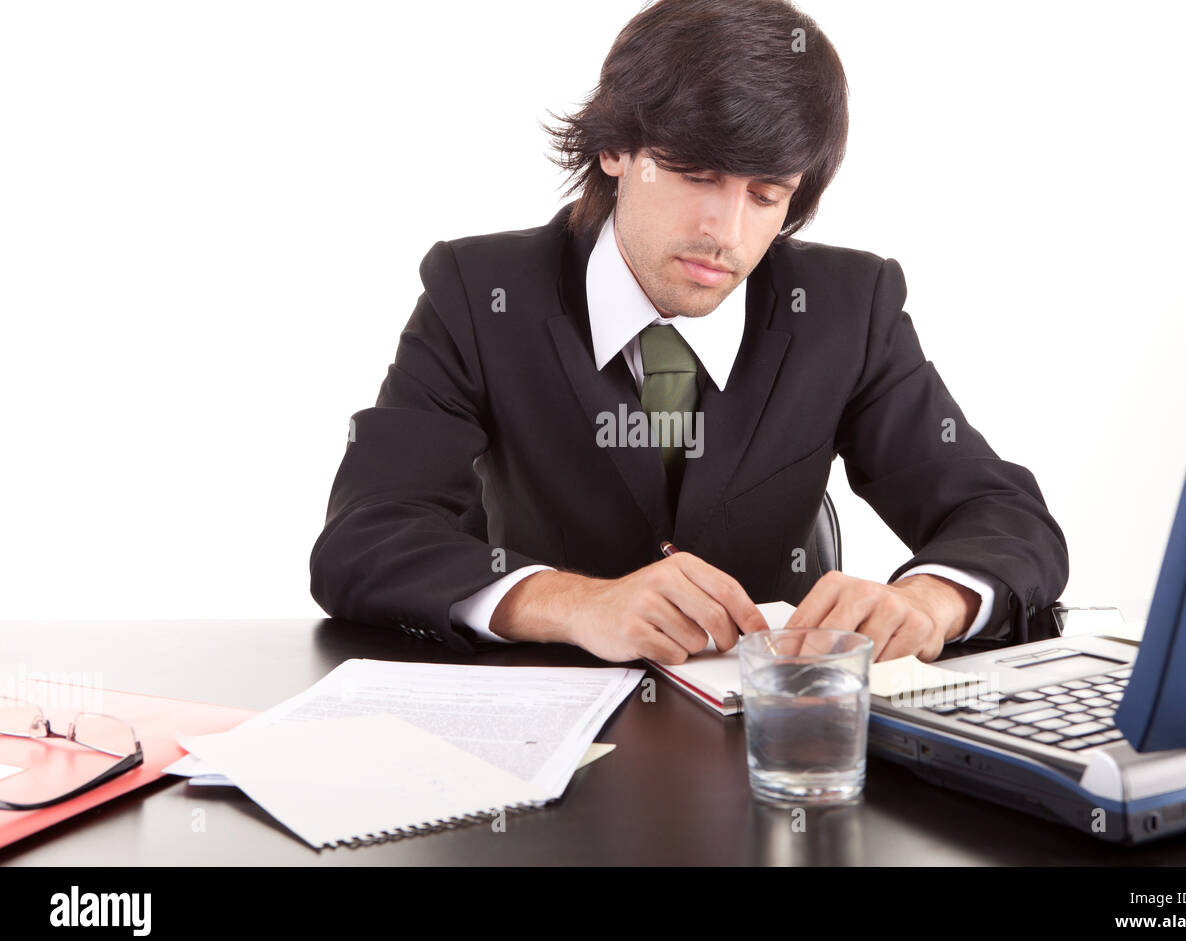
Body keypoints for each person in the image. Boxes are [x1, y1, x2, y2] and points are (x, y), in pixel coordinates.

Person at [309, 0, 1068, 666]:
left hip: (774, 750)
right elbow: (367, 537)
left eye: (766, 195)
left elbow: (1003, 516)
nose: (725, 234)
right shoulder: (480, 292)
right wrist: (572, 604)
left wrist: (932, 601)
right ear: (615, 152)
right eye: (697, 177)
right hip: (543, 743)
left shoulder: (849, 306)